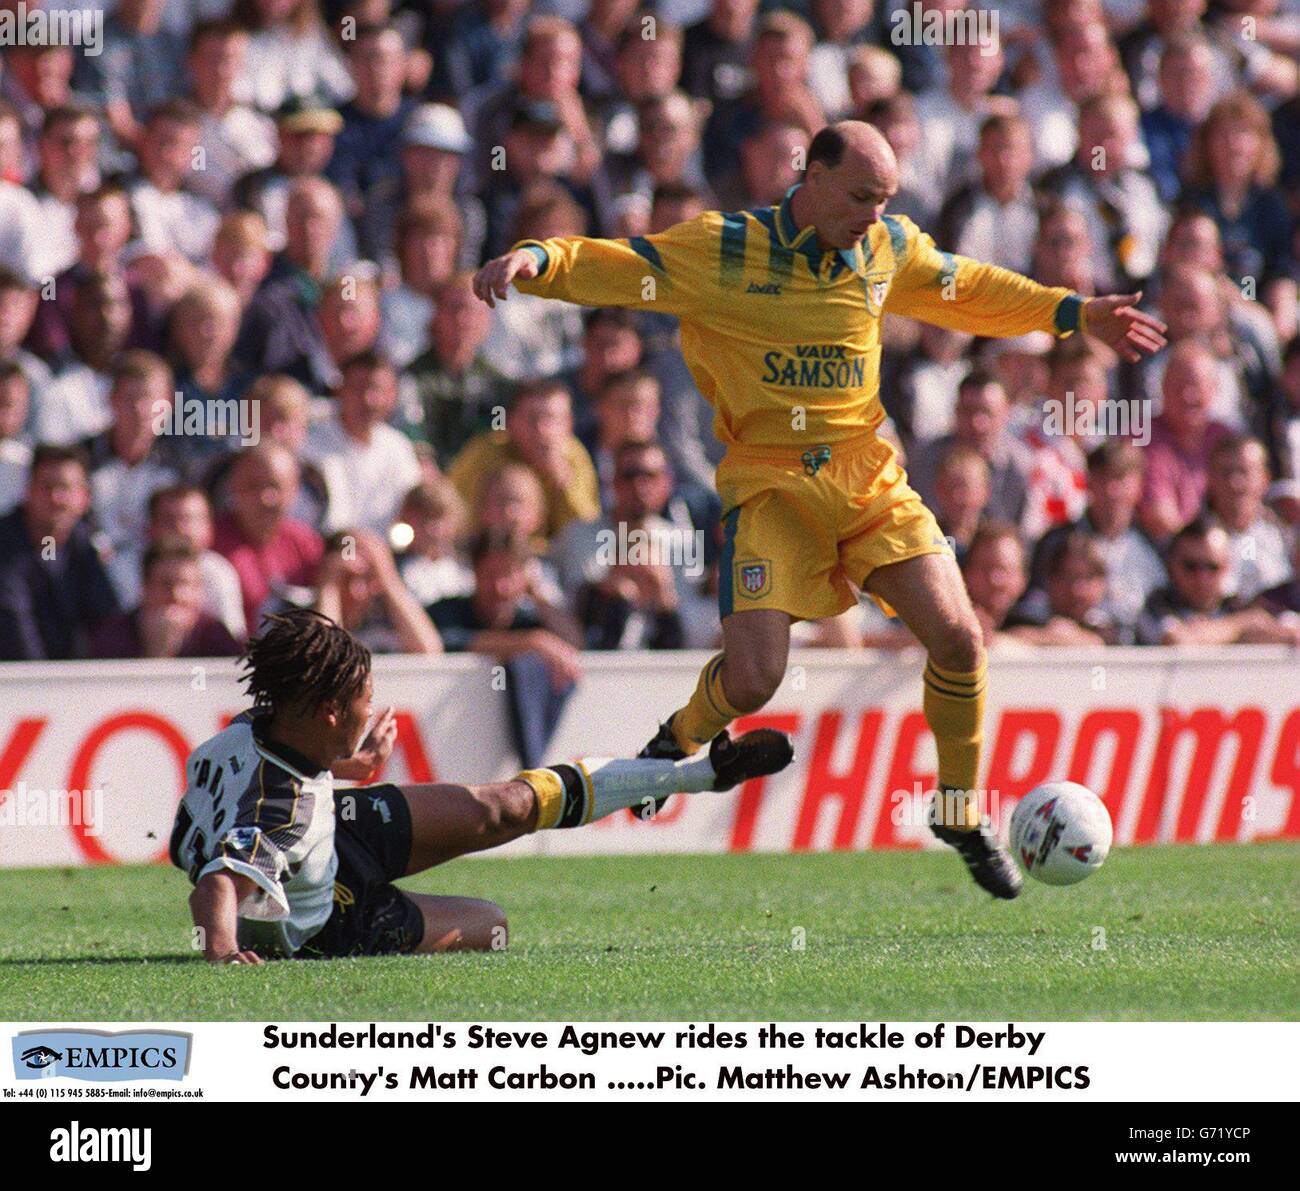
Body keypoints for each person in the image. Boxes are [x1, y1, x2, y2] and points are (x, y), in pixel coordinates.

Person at [473, 120, 1167, 898]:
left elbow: (966, 288)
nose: (874, 213)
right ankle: (680, 737)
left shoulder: (883, 248)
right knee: (754, 678)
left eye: (886, 199)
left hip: (868, 479)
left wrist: (1070, 313)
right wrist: (539, 258)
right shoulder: (724, 250)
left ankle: (959, 811)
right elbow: (621, 264)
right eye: (862, 196)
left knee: (961, 639)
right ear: (813, 178)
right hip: (771, 491)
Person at [173, 609, 793, 961]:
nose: (374, 707)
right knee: (492, 925)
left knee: (505, 806)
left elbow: (267, 792)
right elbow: (219, 882)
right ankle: (690, 772)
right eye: (365, 699)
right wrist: (225, 950)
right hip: (329, 922)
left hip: (338, 829)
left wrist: (350, 769)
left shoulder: (261, 725)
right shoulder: (281, 807)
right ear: (329, 712)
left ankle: (696, 772)